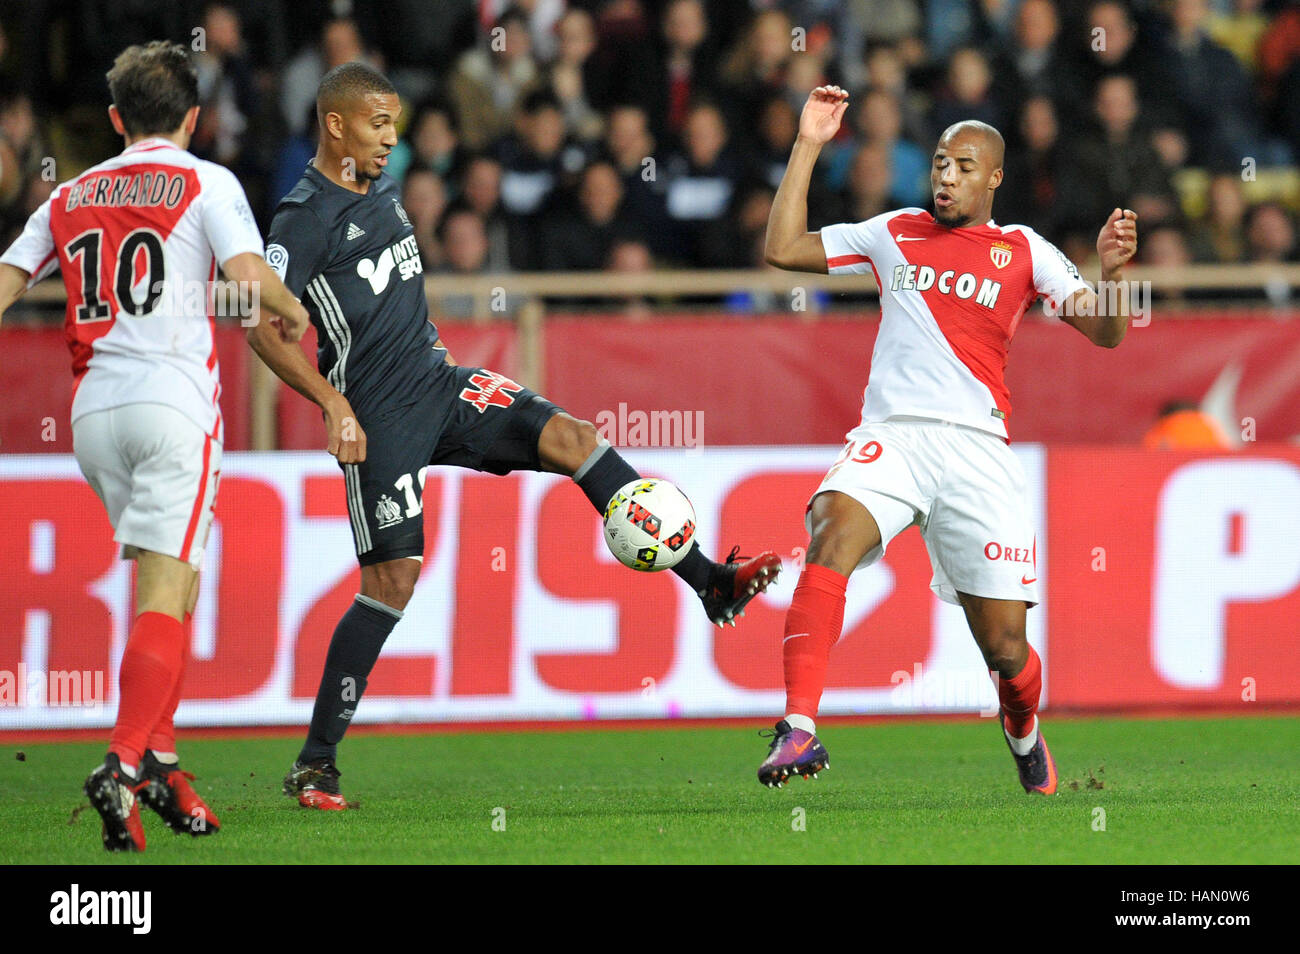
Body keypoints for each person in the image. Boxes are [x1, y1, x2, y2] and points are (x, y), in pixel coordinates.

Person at [254, 62, 782, 810]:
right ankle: (316, 763)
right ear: (335, 123)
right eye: (377, 124)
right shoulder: (302, 218)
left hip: (441, 386)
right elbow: (261, 330)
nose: (390, 138)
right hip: (377, 417)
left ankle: (708, 581)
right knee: (393, 580)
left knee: (573, 437)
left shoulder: (384, 192)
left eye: (394, 122)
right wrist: (331, 404)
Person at [761, 85, 1139, 794]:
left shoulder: (1024, 251)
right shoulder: (891, 230)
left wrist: (1114, 276)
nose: (945, 176)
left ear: (995, 177)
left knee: (1005, 648)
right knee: (831, 530)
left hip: (975, 451)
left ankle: (1022, 726)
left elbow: (1108, 332)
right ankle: (799, 727)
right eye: (939, 162)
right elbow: (781, 247)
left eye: (964, 165)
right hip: (893, 436)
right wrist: (809, 142)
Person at [0, 41, 310, 851]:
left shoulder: (69, 192)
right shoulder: (207, 180)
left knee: (172, 583)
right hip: (172, 406)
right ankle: (122, 762)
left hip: (92, 416)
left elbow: (8, 279)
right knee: (163, 597)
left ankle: (165, 765)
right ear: (194, 117)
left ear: (113, 119)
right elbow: (247, 273)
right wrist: (297, 308)